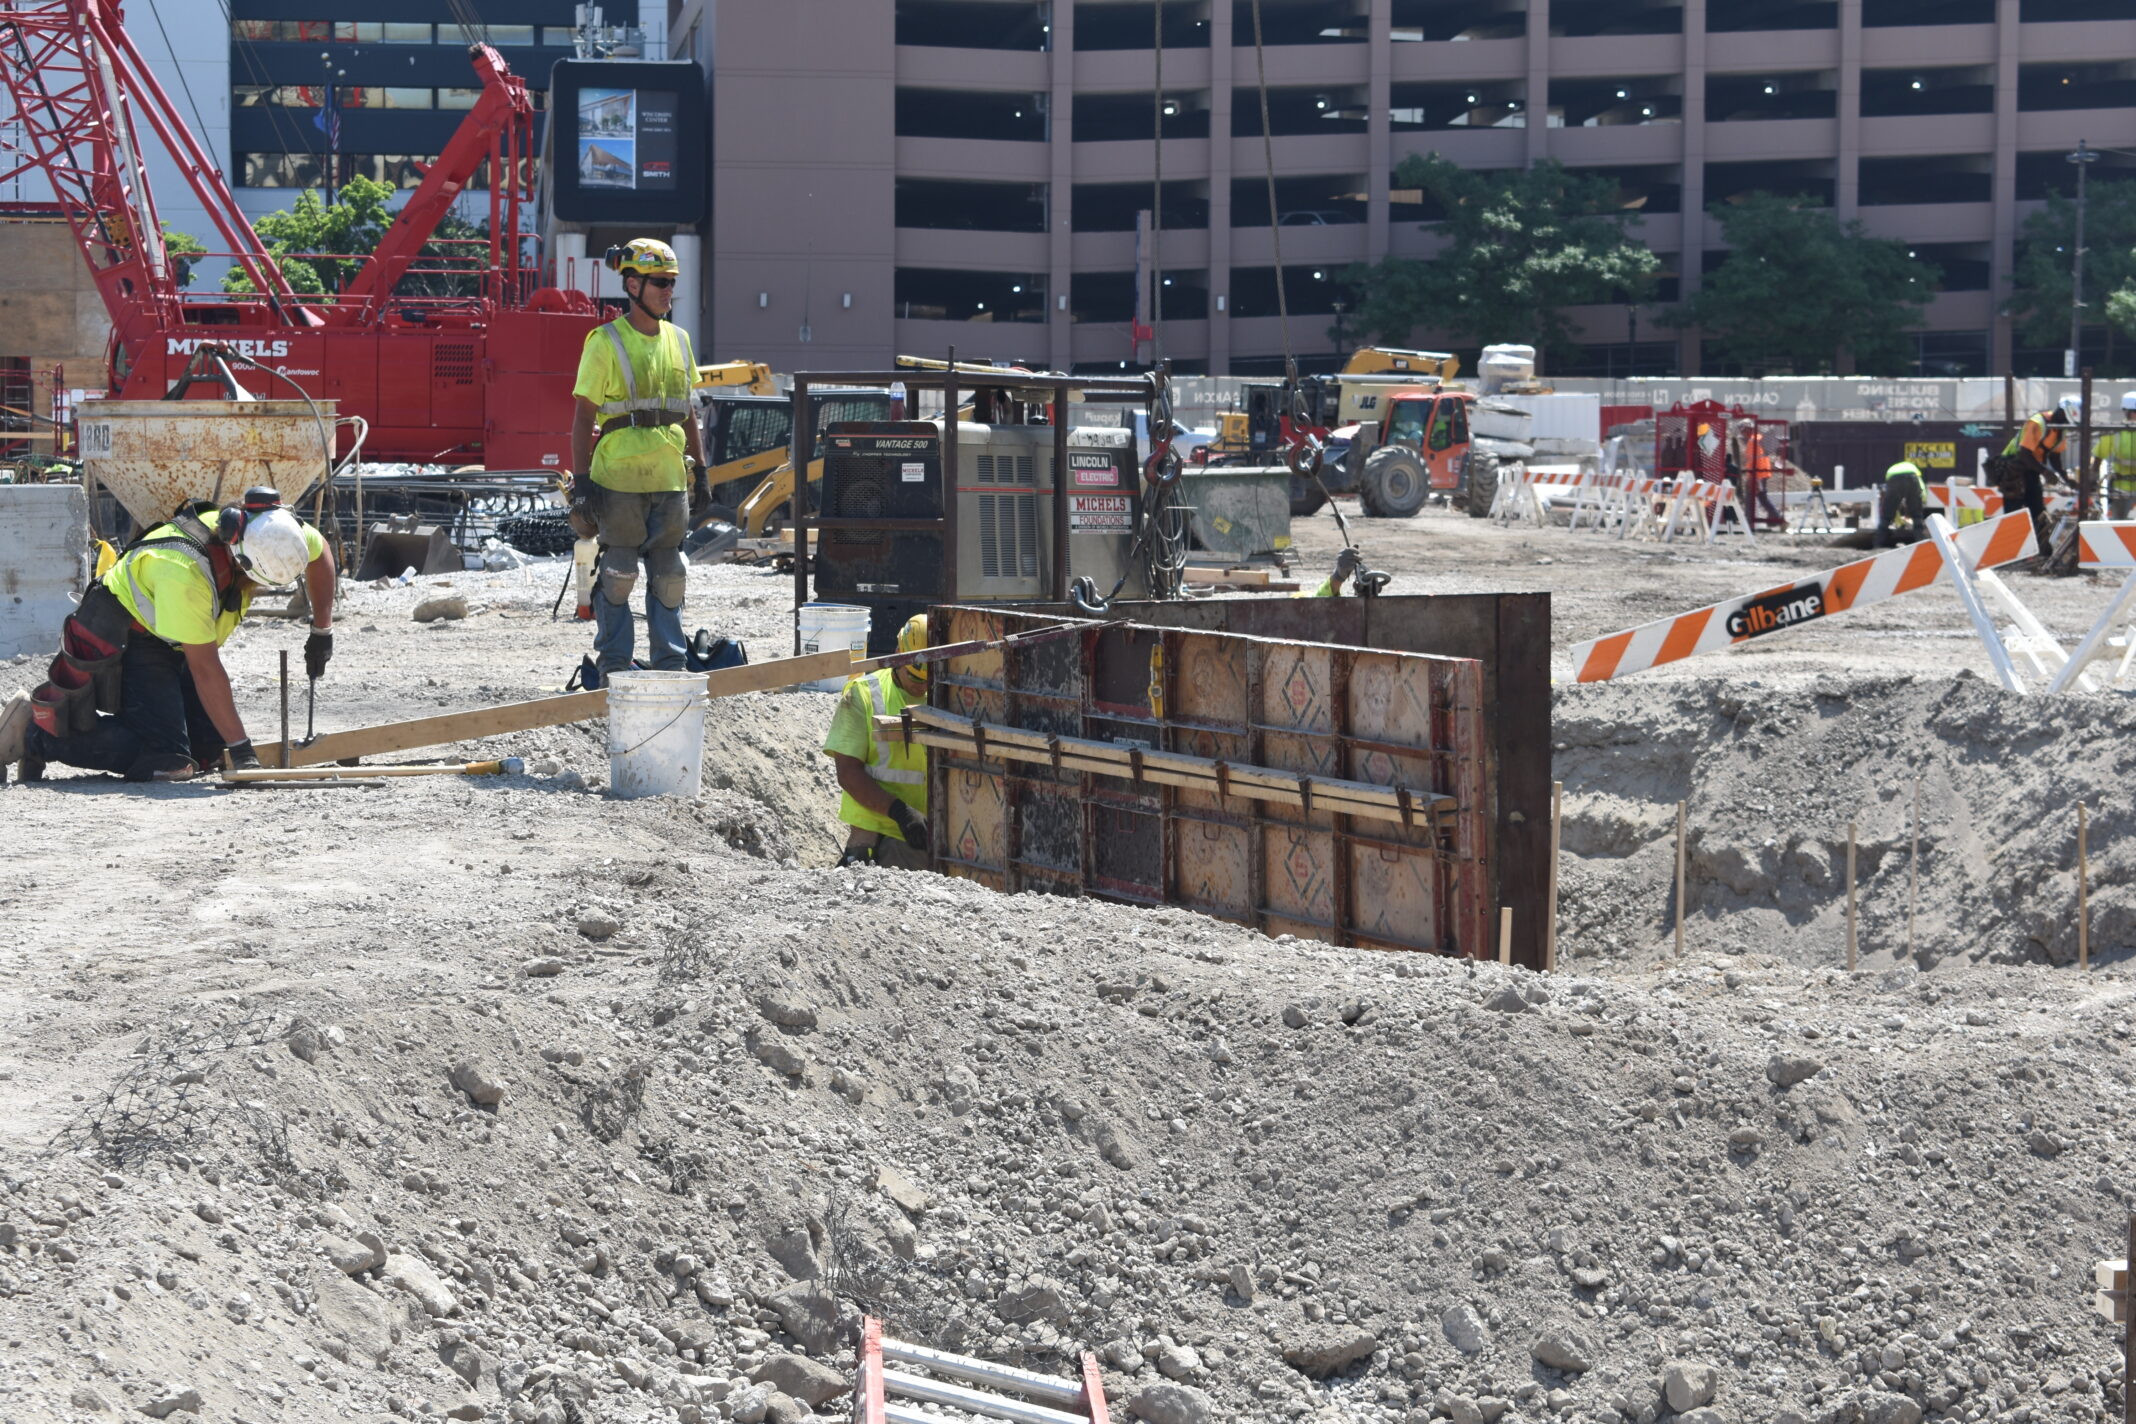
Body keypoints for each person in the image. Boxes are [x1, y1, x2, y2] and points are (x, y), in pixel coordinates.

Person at [0, 493, 334, 783]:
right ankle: (34, 734)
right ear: (239, 557)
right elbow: (205, 668)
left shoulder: (273, 528)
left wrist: (322, 631)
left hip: (172, 637)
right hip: (128, 635)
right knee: (167, 760)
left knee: (209, 751)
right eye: (255, 580)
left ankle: (57, 731)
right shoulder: (184, 573)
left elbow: (319, 555)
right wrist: (242, 750)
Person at [568, 237, 709, 683]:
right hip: (618, 481)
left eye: (672, 283)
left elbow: (688, 411)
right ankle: (615, 667)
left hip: (669, 478)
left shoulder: (680, 340)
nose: (670, 291)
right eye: (661, 283)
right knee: (619, 574)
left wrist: (701, 471)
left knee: (670, 574)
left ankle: (671, 666)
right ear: (632, 284)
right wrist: (584, 481)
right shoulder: (605, 341)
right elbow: (582, 415)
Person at [822, 614, 930, 870]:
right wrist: (900, 812)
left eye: (928, 679)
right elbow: (847, 773)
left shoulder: (947, 693)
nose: (922, 686)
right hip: (882, 836)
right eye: (915, 678)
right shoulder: (863, 693)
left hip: (930, 835)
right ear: (897, 654)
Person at [1995, 397, 2078, 548]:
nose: (2066, 424)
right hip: (2012, 469)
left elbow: (2055, 456)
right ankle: (2009, 552)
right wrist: (2046, 473)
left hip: (2031, 470)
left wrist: (2066, 478)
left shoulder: (2060, 430)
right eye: (2065, 419)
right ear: (2060, 412)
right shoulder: (2037, 423)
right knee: (2013, 513)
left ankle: (2042, 552)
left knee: (2038, 511)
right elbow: (2024, 454)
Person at [2090, 391, 2136, 519]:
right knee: (2119, 525)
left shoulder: (2115, 431)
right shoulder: (2116, 431)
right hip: (2120, 490)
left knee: (2119, 527)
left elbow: (2098, 456)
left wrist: (2092, 480)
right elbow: (2098, 456)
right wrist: (2093, 479)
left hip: (2121, 488)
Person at [1874, 459, 1929, 548]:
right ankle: (1920, 542)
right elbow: (1922, 488)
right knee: (1917, 516)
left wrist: (1896, 519)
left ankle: (1877, 544)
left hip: (1894, 479)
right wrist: (1921, 502)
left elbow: (1891, 501)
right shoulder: (1915, 471)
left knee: (1886, 516)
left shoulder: (1892, 470)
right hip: (1912, 479)